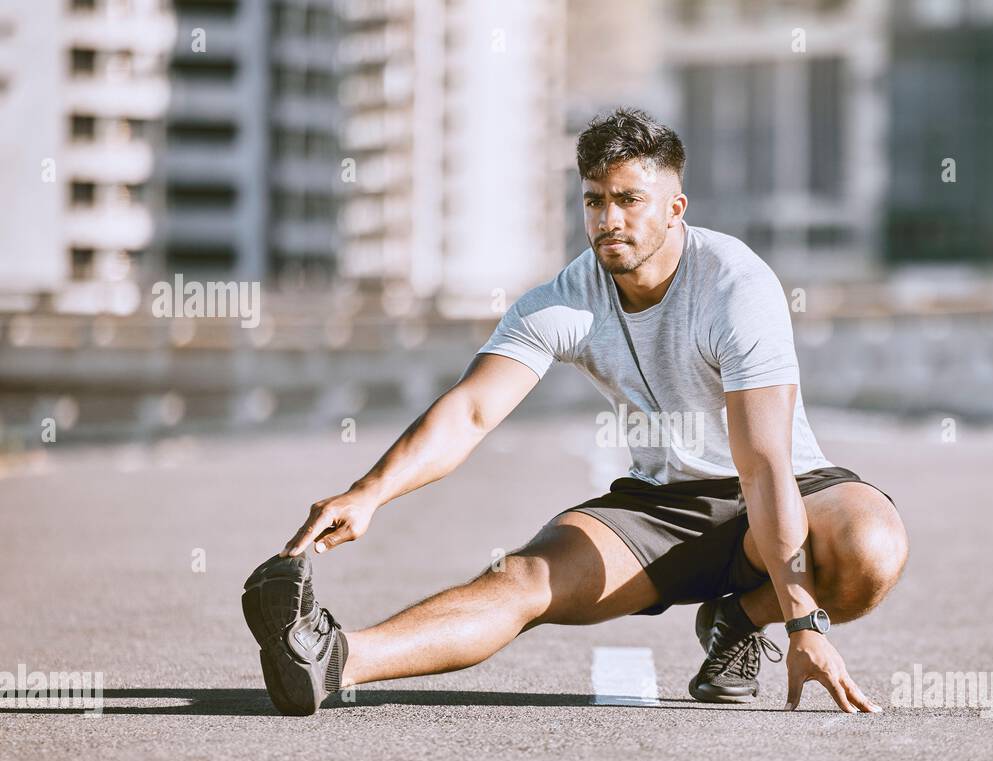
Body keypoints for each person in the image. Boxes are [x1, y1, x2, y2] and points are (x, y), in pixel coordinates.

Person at [240, 107, 909, 717]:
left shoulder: (736, 285)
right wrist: (371, 492)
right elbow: (471, 411)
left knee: (871, 545)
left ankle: (740, 619)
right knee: (522, 580)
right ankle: (332, 657)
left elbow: (763, 466)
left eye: (628, 200)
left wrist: (801, 623)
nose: (608, 219)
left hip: (786, 488)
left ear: (675, 207)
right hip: (665, 507)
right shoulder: (568, 299)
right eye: (594, 200)